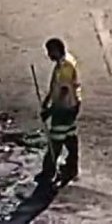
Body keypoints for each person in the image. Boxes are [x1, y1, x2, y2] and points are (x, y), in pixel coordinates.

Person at [38, 37, 82, 186]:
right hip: (70, 105)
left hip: (65, 108)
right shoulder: (63, 62)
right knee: (69, 137)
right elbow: (55, 86)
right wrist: (47, 100)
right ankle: (71, 167)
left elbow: (64, 91)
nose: (48, 55)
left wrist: (50, 111)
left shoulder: (65, 66)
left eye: (50, 51)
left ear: (56, 50)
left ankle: (49, 171)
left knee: (55, 140)